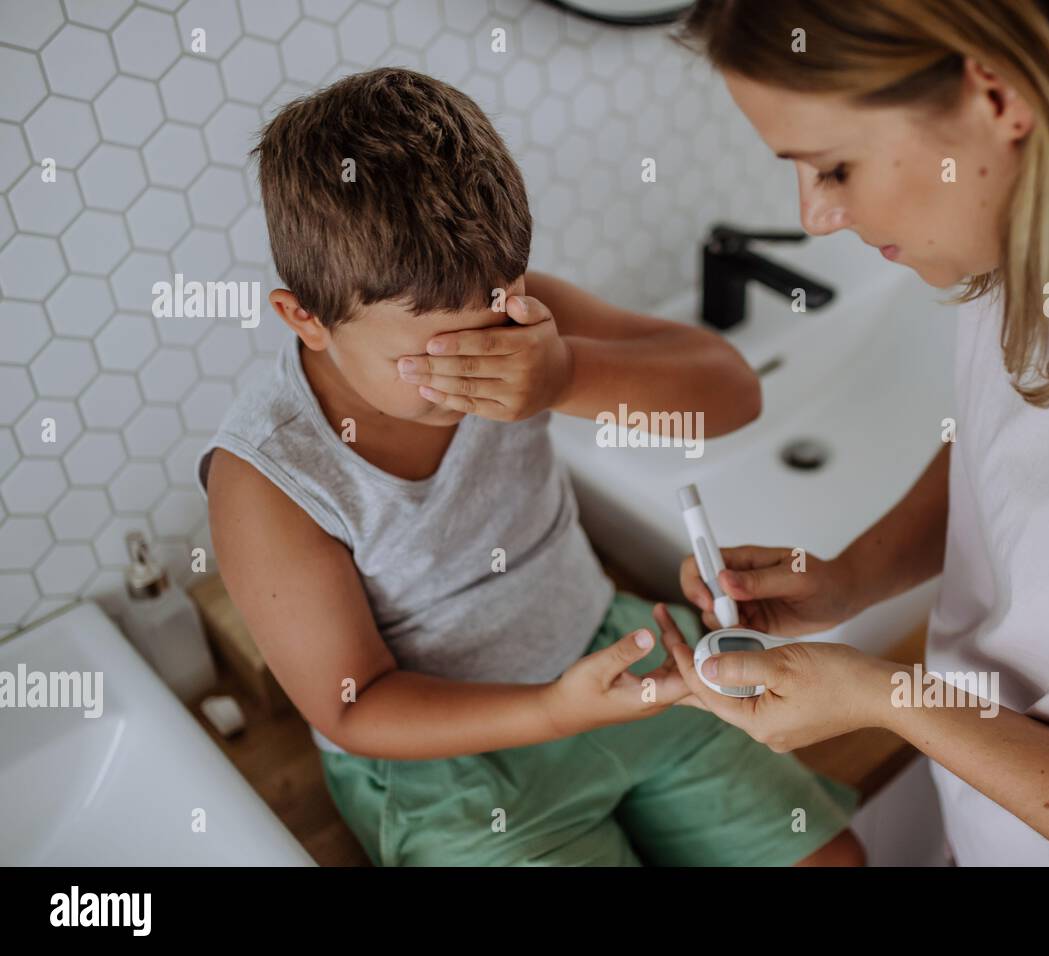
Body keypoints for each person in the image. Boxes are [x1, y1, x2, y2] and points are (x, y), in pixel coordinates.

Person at [663, 0, 1049, 865]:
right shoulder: (1039, 212)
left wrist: (892, 700)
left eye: (834, 167)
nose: (815, 215)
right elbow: (1011, 440)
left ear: (994, 96)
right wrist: (854, 577)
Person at [199, 67, 862, 866]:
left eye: (493, 326)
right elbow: (355, 706)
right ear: (304, 318)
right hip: (450, 764)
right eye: (429, 356)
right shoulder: (269, 481)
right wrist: (551, 712)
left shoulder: (518, 318)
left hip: (610, 649)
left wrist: (565, 374)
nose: (477, 368)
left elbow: (732, 394)